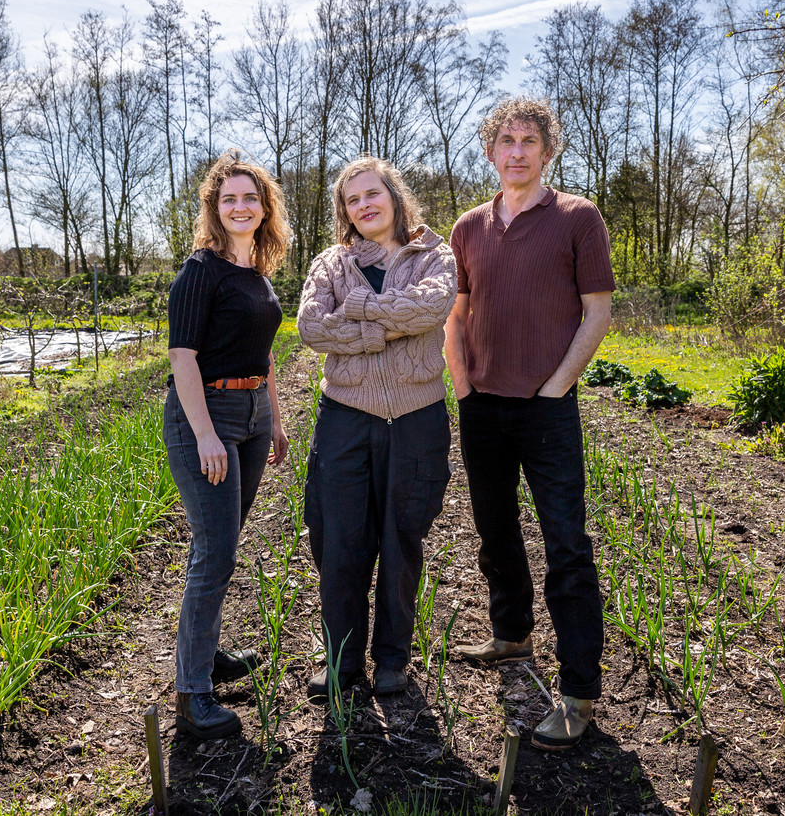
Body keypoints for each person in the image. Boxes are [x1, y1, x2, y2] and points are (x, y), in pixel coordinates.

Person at [444, 97, 615, 751]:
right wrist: (462, 384)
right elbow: (456, 315)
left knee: (566, 544)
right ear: (490, 153)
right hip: (482, 407)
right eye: (505, 140)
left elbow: (597, 313)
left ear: (548, 151)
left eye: (529, 140)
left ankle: (577, 692)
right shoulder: (468, 228)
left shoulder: (577, 218)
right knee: (494, 531)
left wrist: (553, 389)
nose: (517, 150)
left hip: (547, 409)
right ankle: (511, 634)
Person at [297, 156, 456, 703]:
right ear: (345, 211)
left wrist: (361, 313)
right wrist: (382, 327)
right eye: (352, 199)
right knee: (339, 542)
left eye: (372, 194)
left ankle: (391, 659)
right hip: (346, 418)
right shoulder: (331, 264)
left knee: (401, 539)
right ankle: (341, 660)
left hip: (417, 418)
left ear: (393, 195)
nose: (364, 205)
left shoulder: (434, 254)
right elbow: (313, 327)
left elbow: (430, 309)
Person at [162, 151, 290, 739]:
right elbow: (182, 357)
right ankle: (192, 696)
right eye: (228, 199)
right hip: (205, 415)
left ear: (265, 207)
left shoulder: (257, 272)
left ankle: (207, 657)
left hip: (253, 414)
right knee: (214, 552)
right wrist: (207, 433)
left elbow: (260, 353)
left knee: (226, 545)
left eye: (250, 197)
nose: (240, 207)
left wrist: (276, 418)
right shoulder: (201, 271)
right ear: (215, 210)